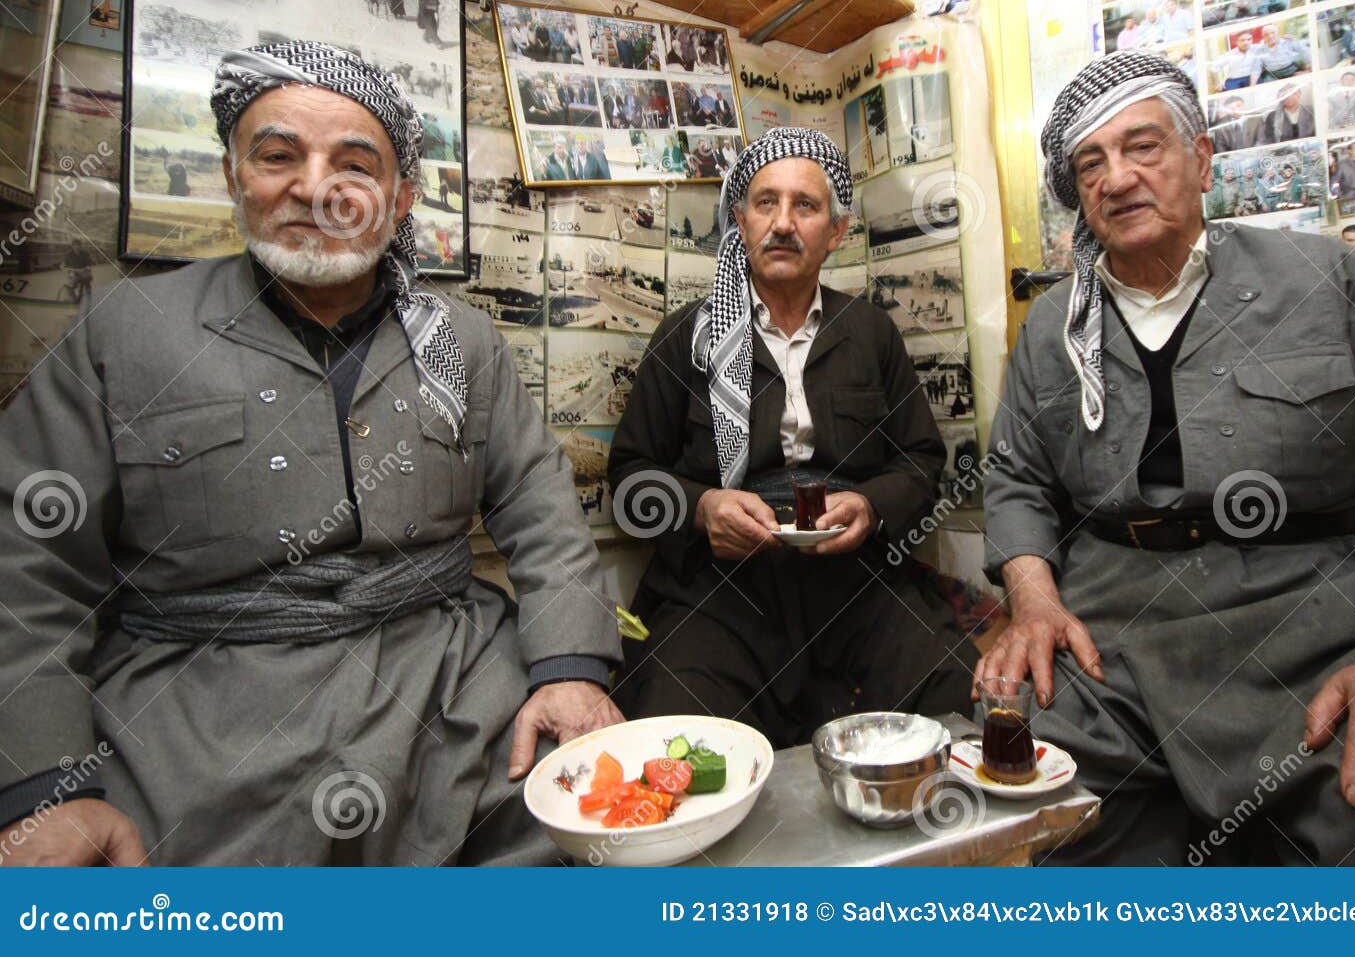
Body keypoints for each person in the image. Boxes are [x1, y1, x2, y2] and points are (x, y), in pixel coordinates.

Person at [0, 42, 623, 866]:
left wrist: (571, 667)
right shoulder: (125, 331)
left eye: (353, 164)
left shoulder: (461, 340)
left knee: (599, 835)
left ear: (399, 200)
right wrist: (45, 784)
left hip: (454, 693)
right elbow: (27, 568)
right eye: (278, 154)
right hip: (197, 727)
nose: (314, 186)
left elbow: (541, 506)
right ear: (233, 174)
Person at [980, 49, 1355, 865]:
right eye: (1092, 162)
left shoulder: (1332, 279)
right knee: (1008, 814)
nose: (1117, 178)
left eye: (1143, 146)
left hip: (1330, 622)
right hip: (1115, 640)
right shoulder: (1051, 330)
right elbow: (1016, 476)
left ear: (1201, 159)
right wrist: (1033, 596)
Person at [608, 128, 979, 749]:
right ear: (739, 221)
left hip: (858, 579)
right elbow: (629, 478)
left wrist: (870, 507)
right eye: (765, 203)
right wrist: (702, 510)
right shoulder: (686, 339)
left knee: (958, 713)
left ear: (835, 232)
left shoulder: (869, 333)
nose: (783, 223)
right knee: (678, 741)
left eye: (805, 206)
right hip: (719, 591)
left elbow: (920, 462)